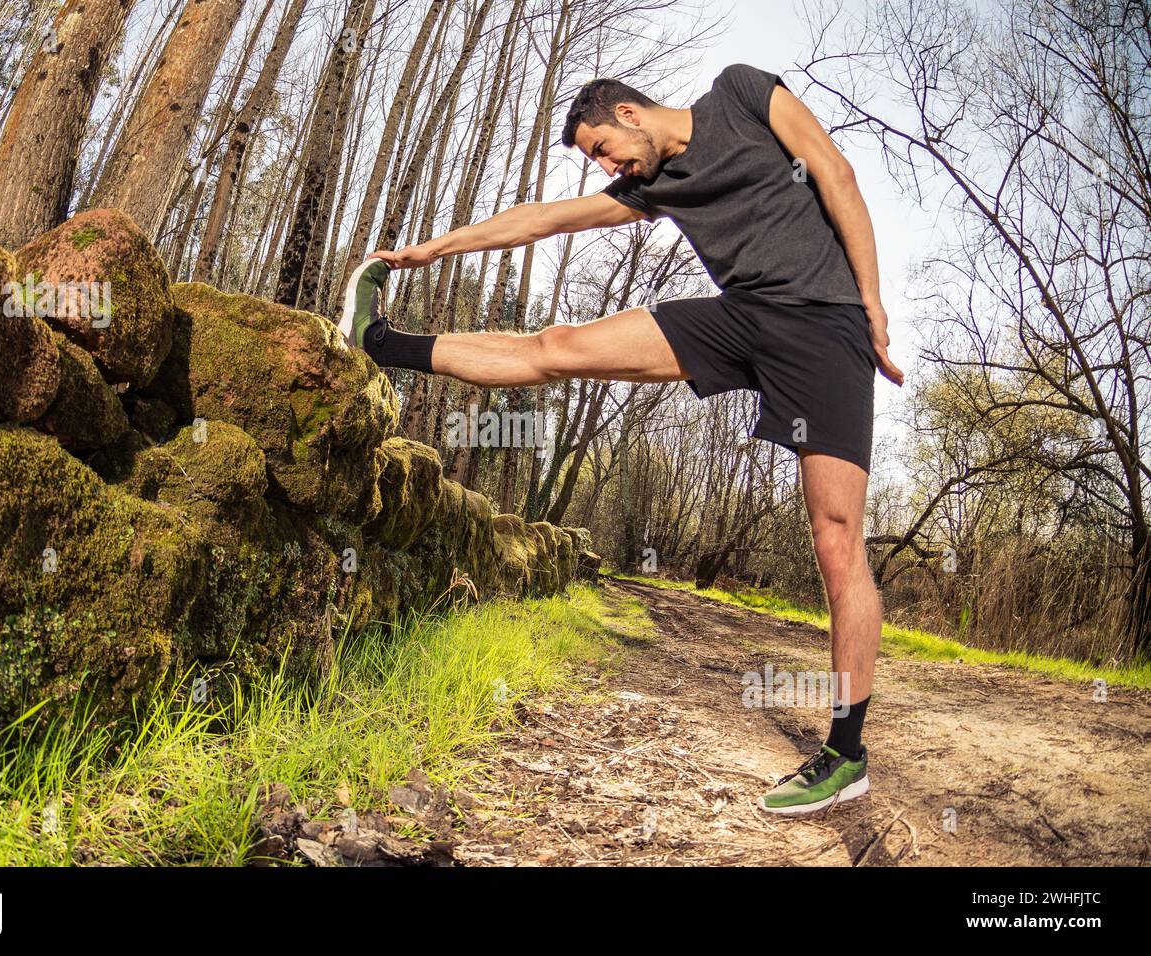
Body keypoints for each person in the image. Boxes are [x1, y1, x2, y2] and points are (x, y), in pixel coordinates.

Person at [338, 63, 904, 814]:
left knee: (836, 539)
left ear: (631, 114)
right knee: (557, 345)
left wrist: (870, 306)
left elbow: (834, 169)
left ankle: (845, 752)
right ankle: (382, 343)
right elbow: (545, 219)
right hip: (741, 318)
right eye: (597, 161)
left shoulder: (738, 92)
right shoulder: (649, 185)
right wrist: (432, 250)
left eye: (603, 148)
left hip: (825, 325)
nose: (607, 168)